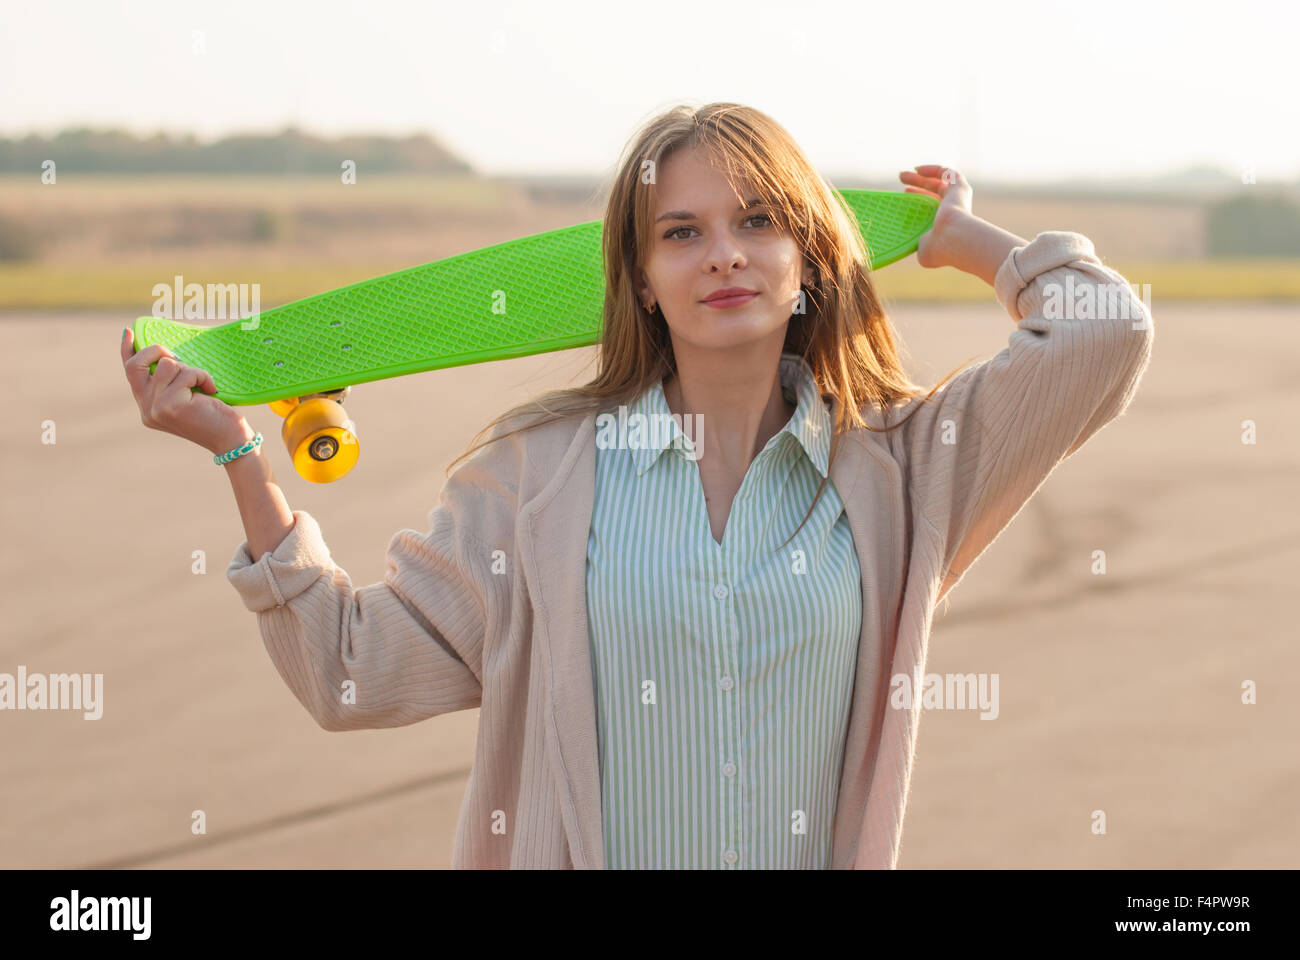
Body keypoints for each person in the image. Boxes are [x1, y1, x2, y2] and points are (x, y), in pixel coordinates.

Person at [119, 102, 1154, 869]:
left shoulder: (902, 470)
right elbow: (353, 671)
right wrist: (239, 456)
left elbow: (1104, 331)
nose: (724, 257)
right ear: (643, 280)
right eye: (682, 232)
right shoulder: (537, 480)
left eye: (758, 223)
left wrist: (959, 240)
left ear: (810, 260)